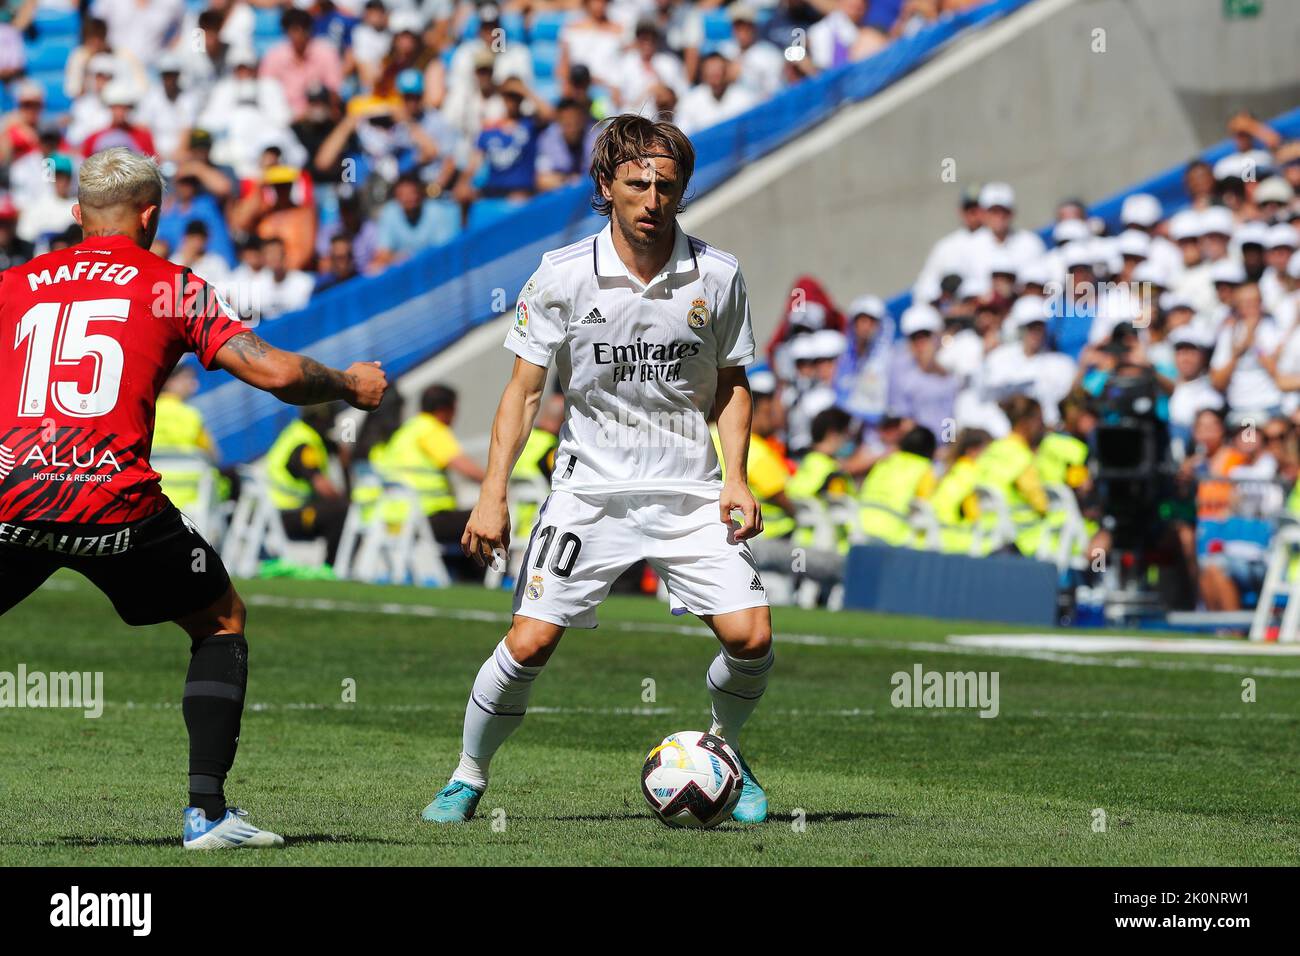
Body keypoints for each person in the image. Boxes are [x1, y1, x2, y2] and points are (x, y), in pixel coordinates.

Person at [0, 147, 387, 849]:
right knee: (219, 621)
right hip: (110, 503)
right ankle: (205, 814)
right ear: (151, 214)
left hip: (13, 495)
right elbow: (273, 373)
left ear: (76, 213)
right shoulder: (171, 286)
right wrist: (348, 386)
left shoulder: (15, 283)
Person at [423, 115, 773, 825]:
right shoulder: (560, 277)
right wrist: (491, 496)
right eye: (637, 183)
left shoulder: (718, 275)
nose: (652, 199)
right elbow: (523, 393)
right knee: (529, 643)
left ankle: (724, 753)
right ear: (606, 186)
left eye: (666, 186)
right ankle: (467, 775)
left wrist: (736, 476)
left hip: (689, 491)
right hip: (588, 492)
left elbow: (734, 383)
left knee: (753, 638)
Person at [858, 424, 937, 546]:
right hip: (892, 537)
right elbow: (923, 505)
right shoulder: (924, 468)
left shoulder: (885, 461)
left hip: (859, 527)